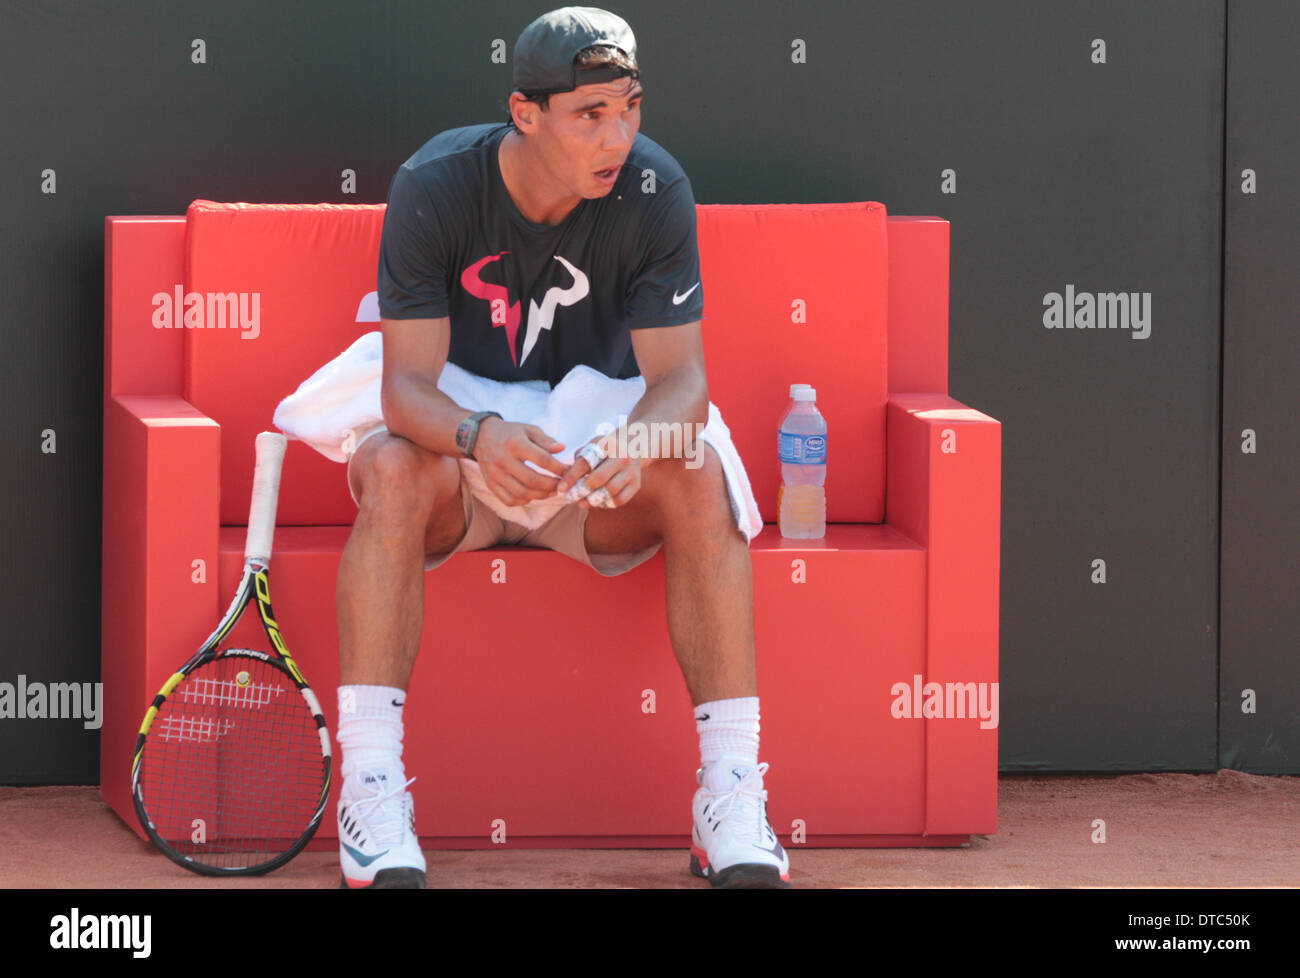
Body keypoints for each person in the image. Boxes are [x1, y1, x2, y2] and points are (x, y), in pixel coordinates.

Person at [333, 6, 789, 889]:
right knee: (390, 466)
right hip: (459, 470)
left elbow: (684, 382)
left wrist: (642, 437)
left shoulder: (656, 190)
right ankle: (372, 785)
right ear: (525, 111)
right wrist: (477, 435)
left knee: (696, 474)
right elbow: (403, 392)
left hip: (590, 481)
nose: (617, 135)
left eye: (631, 108)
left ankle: (730, 795)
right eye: (590, 114)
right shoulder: (434, 183)